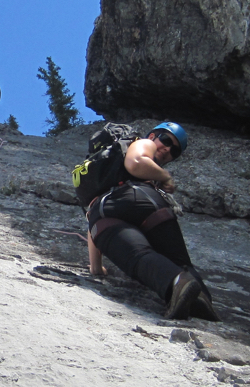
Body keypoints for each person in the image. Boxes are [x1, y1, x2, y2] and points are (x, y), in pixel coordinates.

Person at [85, 121, 217, 320]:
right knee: (180, 262)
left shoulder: (109, 178)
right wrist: (165, 176)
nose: (167, 148)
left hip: (108, 212)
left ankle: (180, 284)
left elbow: (95, 226)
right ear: (153, 135)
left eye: (174, 150)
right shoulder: (143, 143)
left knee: (138, 256)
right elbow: (136, 162)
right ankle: (197, 295)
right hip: (146, 202)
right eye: (165, 139)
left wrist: (96, 268)